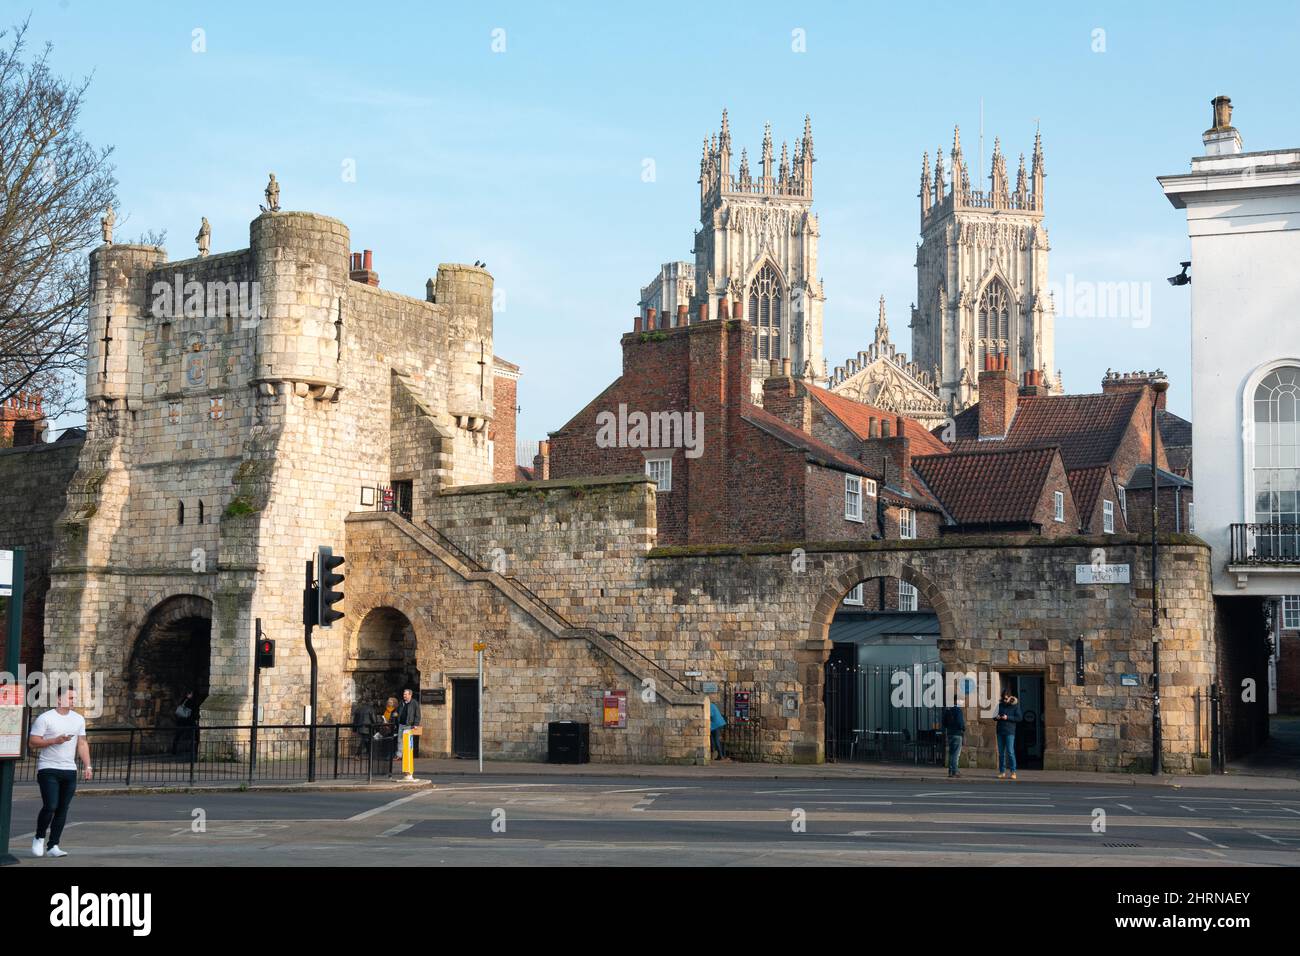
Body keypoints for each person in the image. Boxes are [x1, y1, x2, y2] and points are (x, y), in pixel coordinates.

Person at [28, 685, 92, 858]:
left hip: (69, 769)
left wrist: (88, 766)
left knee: (63, 808)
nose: (74, 701)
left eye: (75, 698)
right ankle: (39, 837)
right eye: (70, 698)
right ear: (59, 699)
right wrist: (54, 740)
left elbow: (82, 743)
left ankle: (53, 845)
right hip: (48, 768)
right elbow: (33, 742)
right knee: (51, 805)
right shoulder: (45, 718)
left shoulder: (78, 719)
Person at [996, 689, 1023, 780]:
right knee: (1001, 753)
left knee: (1010, 752)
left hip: (1010, 731)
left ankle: (1013, 771)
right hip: (1000, 731)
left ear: (1010, 697)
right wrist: (997, 717)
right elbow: (994, 717)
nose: (1004, 700)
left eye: (1006, 698)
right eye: (1003, 698)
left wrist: (1008, 717)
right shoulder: (1000, 705)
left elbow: (1019, 718)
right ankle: (1002, 771)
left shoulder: (1015, 706)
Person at [397, 687, 421, 781]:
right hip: (401, 724)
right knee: (399, 740)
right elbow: (399, 711)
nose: (404, 696)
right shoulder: (402, 703)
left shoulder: (414, 703)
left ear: (410, 695)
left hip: (409, 725)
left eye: (406, 694)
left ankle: (405, 757)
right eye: (403, 694)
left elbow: (417, 714)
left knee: (407, 743)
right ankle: (399, 755)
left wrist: (416, 724)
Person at [171, 689, 198, 757]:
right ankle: (195, 750)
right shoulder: (190, 701)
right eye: (191, 694)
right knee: (195, 735)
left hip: (181, 721)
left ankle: (174, 750)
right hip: (188, 721)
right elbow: (193, 712)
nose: (192, 695)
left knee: (178, 736)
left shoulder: (183, 701)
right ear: (189, 694)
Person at [941, 703, 965, 777]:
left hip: (950, 734)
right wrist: (963, 728)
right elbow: (960, 722)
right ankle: (955, 771)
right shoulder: (958, 710)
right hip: (957, 734)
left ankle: (950, 771)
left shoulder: (948, 710)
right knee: (956, 754)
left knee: (951, 753)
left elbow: (944, 723)